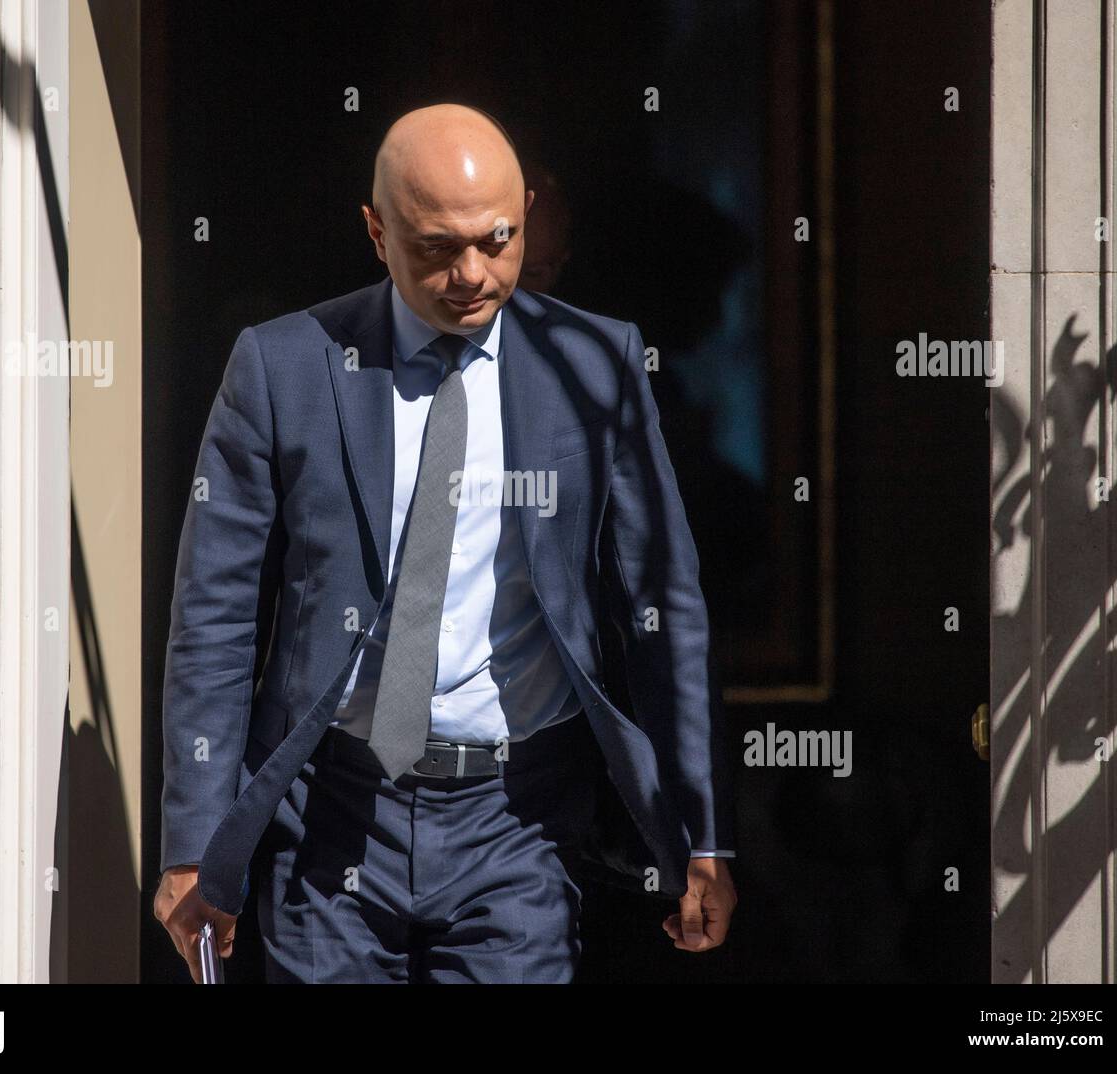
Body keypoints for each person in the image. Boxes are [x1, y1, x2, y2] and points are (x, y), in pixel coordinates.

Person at [153, 103, 737, 983]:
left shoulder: (595, 366)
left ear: (526, 216)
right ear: (376, 232)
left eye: (498, 240)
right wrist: (195, 842)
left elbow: (664, 605)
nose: (472, 273)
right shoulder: (284, 368)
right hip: (332, 814)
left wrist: (702, 832)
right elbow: (216, 615)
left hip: (520, 818)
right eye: (436, 247)